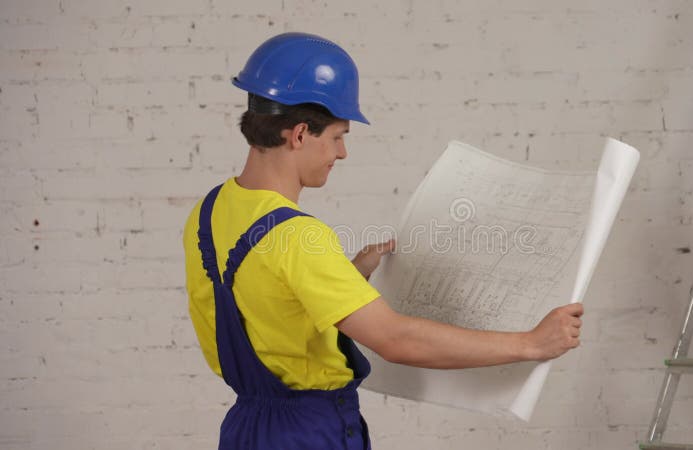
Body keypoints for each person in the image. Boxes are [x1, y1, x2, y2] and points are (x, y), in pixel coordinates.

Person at [182, 32, 584, 450]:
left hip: (245, 431)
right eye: (338, 137)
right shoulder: (298, 236)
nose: (341, 154)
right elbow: (395, 340)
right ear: (300, 134)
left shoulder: (208, 211)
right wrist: (531, 343)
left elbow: (261, 302)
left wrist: (347, 276)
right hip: (308, 434)